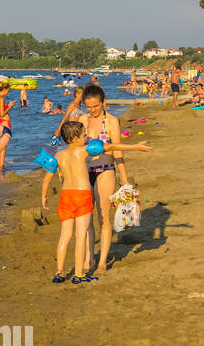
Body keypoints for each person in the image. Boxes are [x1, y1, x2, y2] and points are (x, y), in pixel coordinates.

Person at [40, 120, 153, 283]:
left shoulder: (58, 156)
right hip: (81, 196)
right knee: (80, 236)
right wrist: (136, 146)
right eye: (83, 135)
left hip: (65, 197)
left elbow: (47, 178)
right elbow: (112, 147)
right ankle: (78, 274)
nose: (86, 137)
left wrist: (44, 196)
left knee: (64, 236)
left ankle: (59, 272)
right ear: (75, 138)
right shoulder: (83, 151)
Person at [80, 84, 128, 274]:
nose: (92, 110)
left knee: (103, 216)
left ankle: (101, 263)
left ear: (103, 102)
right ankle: (87, 259)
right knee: (86, 218)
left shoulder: (111, 122)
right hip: (84, 171)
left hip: (106, 169)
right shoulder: (82, 120)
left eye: (96, 106)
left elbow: (118, 150)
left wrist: (124, 179)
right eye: (89, 107)